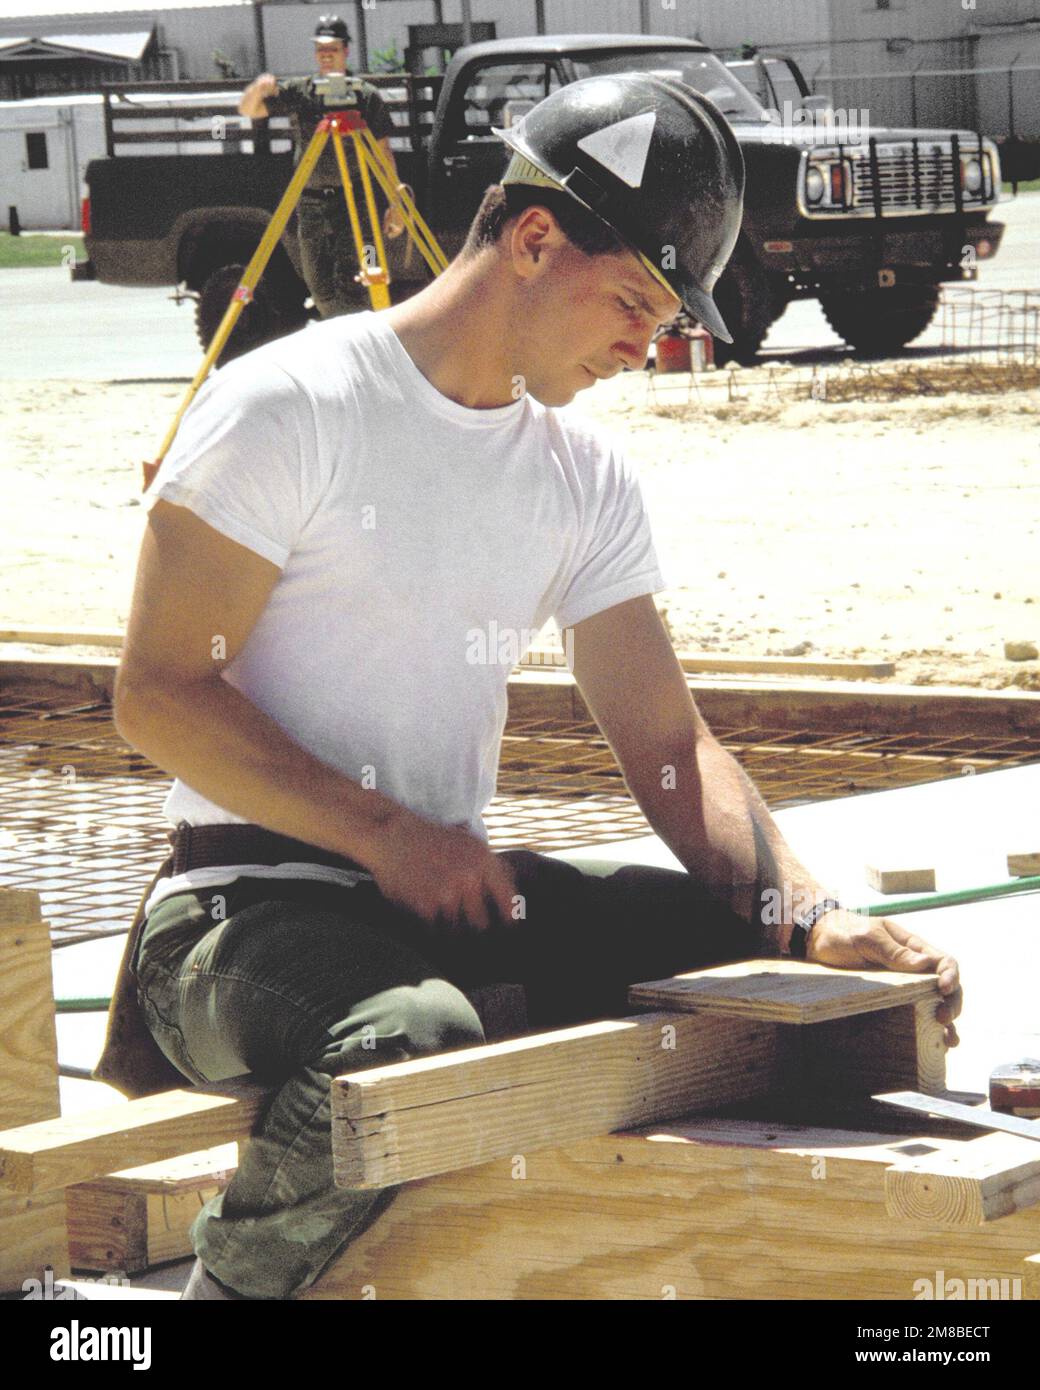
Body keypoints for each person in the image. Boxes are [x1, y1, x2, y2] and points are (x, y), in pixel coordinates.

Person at [111, 72, 962, 1300]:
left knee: (746, 965)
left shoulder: (581, 477)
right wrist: (385, 834)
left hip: (432, 903)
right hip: (239, 916)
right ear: (531, 236)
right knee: (409, 1038)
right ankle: (230, 1289)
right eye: (631, 300)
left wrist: (800, 914)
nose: (647, 341)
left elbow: (668, 744)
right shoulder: (288, 407)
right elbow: (156, 694)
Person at [238, 14, 407, 318]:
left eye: (332, 49)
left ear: (346, 51)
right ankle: (340, 326)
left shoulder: (365, 96)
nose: (325, 56)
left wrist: (395, 202)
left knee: (366, 268)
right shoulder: (302, 92)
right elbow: (248, 109)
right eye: (320, 50)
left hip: (356, 202)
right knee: (317, 281)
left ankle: (358, 333)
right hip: (311, 203)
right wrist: (259, 89)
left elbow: (383, 153)